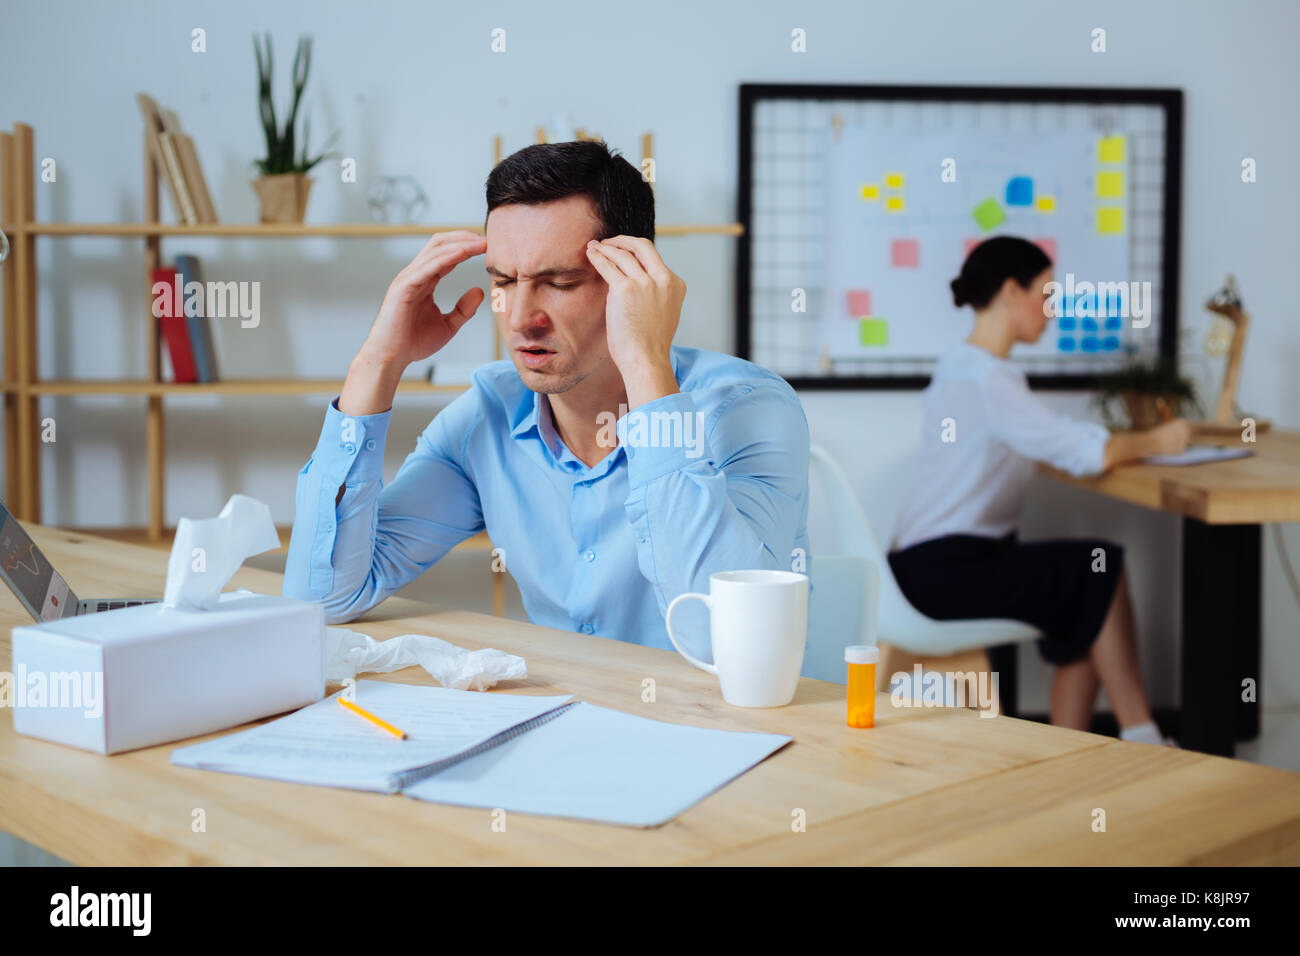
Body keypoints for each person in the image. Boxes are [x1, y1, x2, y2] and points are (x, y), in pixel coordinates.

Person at [282, 140, 810, 651]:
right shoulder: (486, 418)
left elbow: (725, 642)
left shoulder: (746, 408)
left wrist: (647, 363)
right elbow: (324, 598)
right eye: (505, 281)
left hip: (725, 732)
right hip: (565, 720)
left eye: (558, 283)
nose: (520, 319)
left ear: (632, 278)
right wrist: (377, 362)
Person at [888, 236, 1190, 745]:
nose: (1051, 311)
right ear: (1011, 291)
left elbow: (1051, 441)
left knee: (1084, 585)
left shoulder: (959, 365)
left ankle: (1075, 749)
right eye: (1046, 295)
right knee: (1099, 566)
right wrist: (1163, 438)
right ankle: (1141, 735)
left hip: (921, 567)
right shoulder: (990, 379)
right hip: (944, 572)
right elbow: (1085, 452)